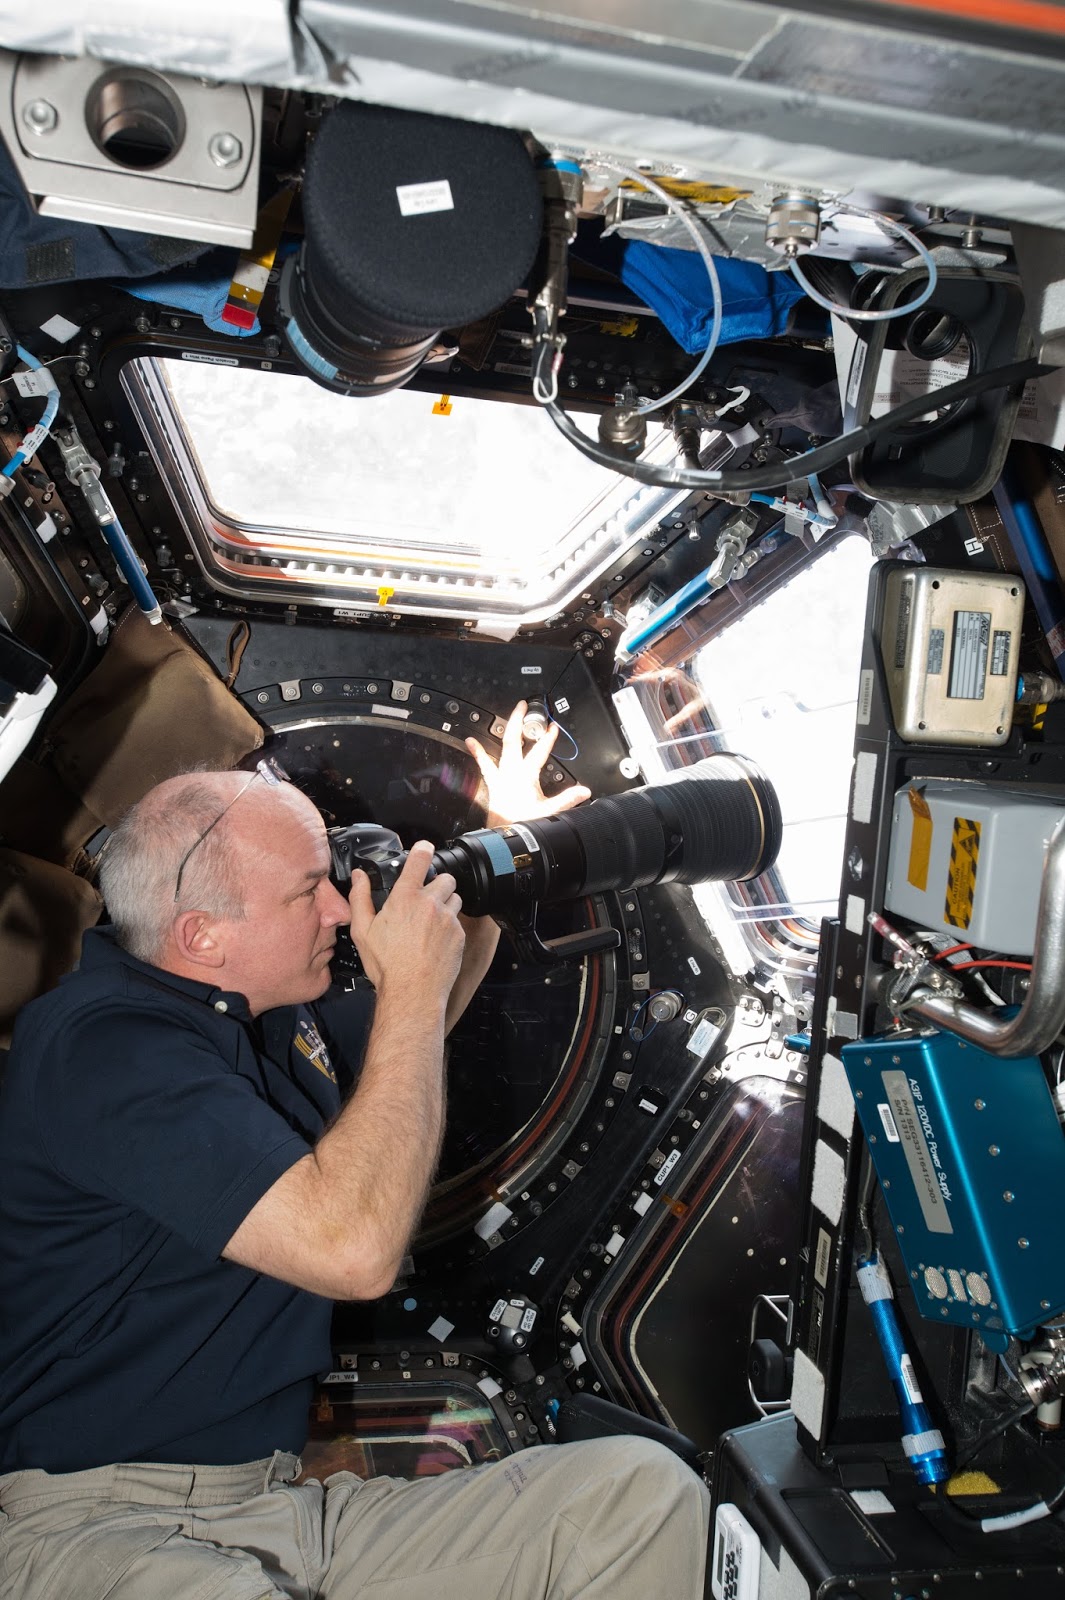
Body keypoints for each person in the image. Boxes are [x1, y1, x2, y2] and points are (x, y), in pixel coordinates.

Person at [0, 702, 709, 1599]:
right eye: (309, 891)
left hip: (272, 1505)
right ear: (202, 935)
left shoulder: (257, 1017)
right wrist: (407, 985)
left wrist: (499, 852)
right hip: (95, 1524)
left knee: (636, 1498)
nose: (340, 908)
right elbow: (351, 1252)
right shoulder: (107, 1049)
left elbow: (414, 1032)